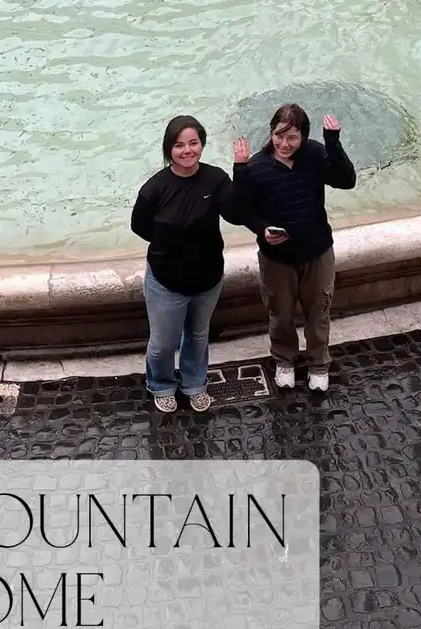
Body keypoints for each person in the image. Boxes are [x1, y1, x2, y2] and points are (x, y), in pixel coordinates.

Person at [232, 103, 356, 394]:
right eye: (279, 135)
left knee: (319, 311)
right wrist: (261, 229)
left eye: (292, 138)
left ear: (303, 137)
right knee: (280, 311)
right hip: (277, 258)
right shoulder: (257, 166)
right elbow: (240, 211)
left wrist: (333, 142)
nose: (284, 144)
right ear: (271, 132)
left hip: (318, 252)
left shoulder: (314, 154)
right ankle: (284, 360)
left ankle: (318, 365)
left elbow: (346, 181)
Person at [131, 115, 245, 413]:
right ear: (169, 149)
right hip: (166, 281)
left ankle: (194, 383)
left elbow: (236, 213)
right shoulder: (154, 188)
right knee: (163, 343)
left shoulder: (215, 178)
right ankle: (161, 384)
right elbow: (139, 226)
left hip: (208, 278)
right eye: (179, 145)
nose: (187, 150)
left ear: (202, 145)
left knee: (198, 335)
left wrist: (241, 169)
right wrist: (172, 246)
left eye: (193, 143)